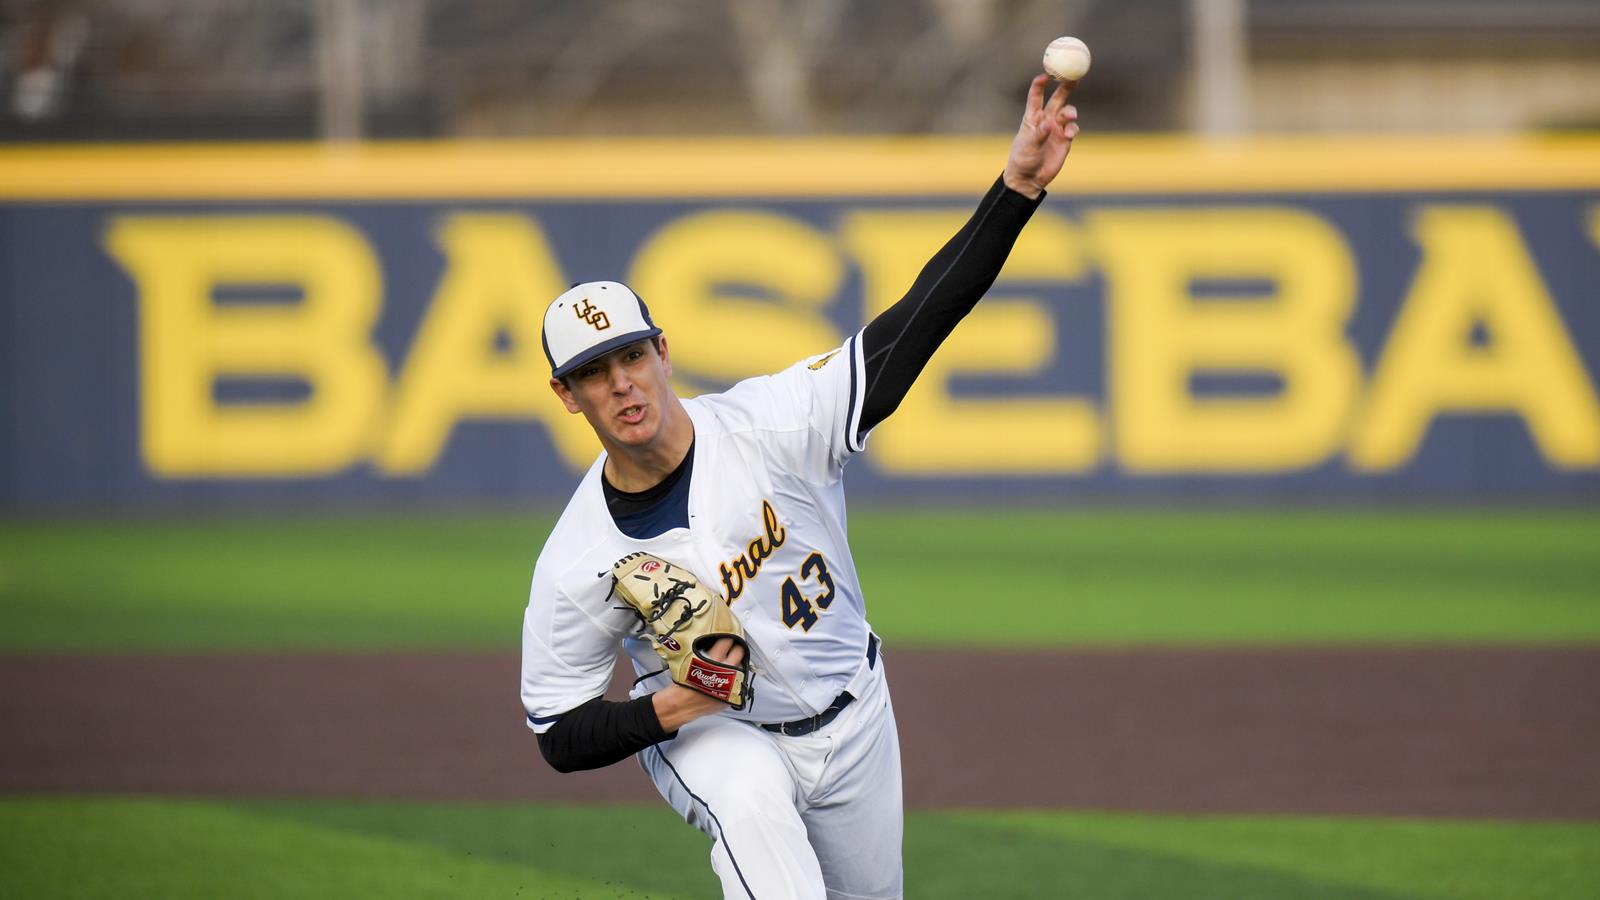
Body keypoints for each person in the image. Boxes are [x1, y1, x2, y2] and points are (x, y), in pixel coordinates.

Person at [521, 73, 1079, 900]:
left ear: (663, 352)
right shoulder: (581, 560)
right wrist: (671, 708)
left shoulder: (773, 424)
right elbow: (560, 730)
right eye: (593, 374)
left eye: (632, 357)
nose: (623, 386)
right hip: (716, 736)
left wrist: (1018, 189)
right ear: (567, 396)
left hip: (854, 715)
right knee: (749, 805)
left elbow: (916, 322)